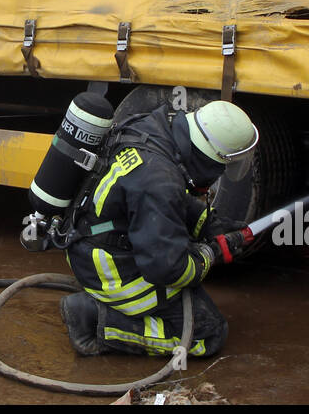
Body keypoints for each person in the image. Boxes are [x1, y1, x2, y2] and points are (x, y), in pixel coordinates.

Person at [59, 100, 258, 357]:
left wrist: (211, 225)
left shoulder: (153, 130)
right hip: (109, 269)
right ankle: (97, 320)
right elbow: (169, 269)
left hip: (91, 240)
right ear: (210, 157)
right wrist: (210, 254)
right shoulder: (159, 182)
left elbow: (166, 202)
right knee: (208, 334)